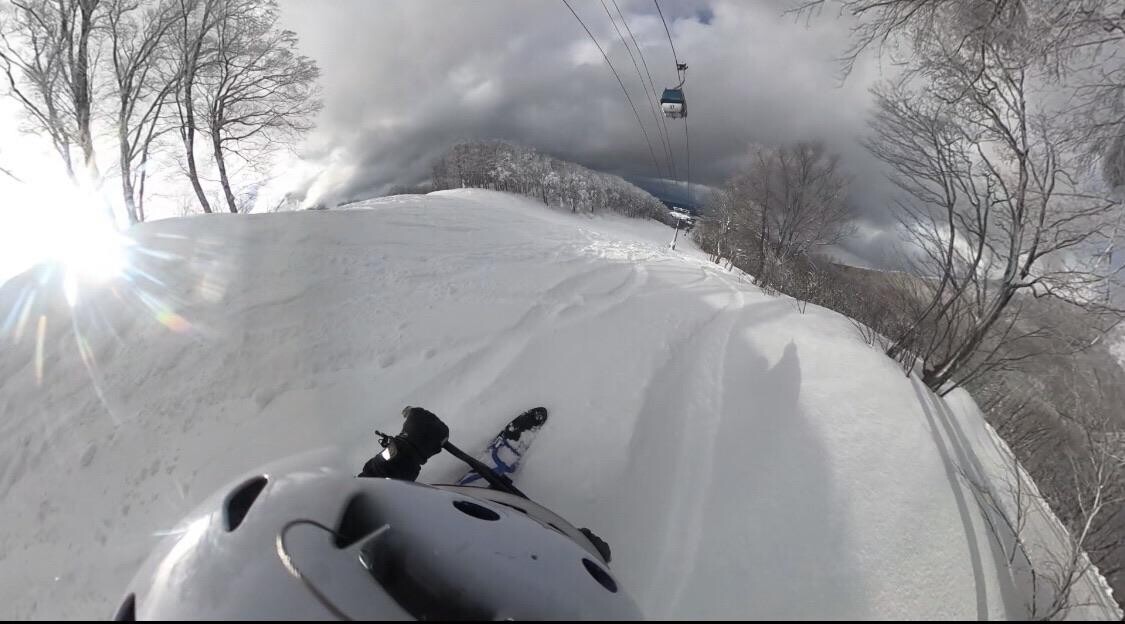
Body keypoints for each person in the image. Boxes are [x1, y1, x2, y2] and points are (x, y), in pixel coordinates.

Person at [113, 406, 642, 620]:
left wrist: (402, 454)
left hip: (479, 521)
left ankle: (440, 469)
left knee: (380, 495)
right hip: (514, 533)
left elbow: (353, 493)